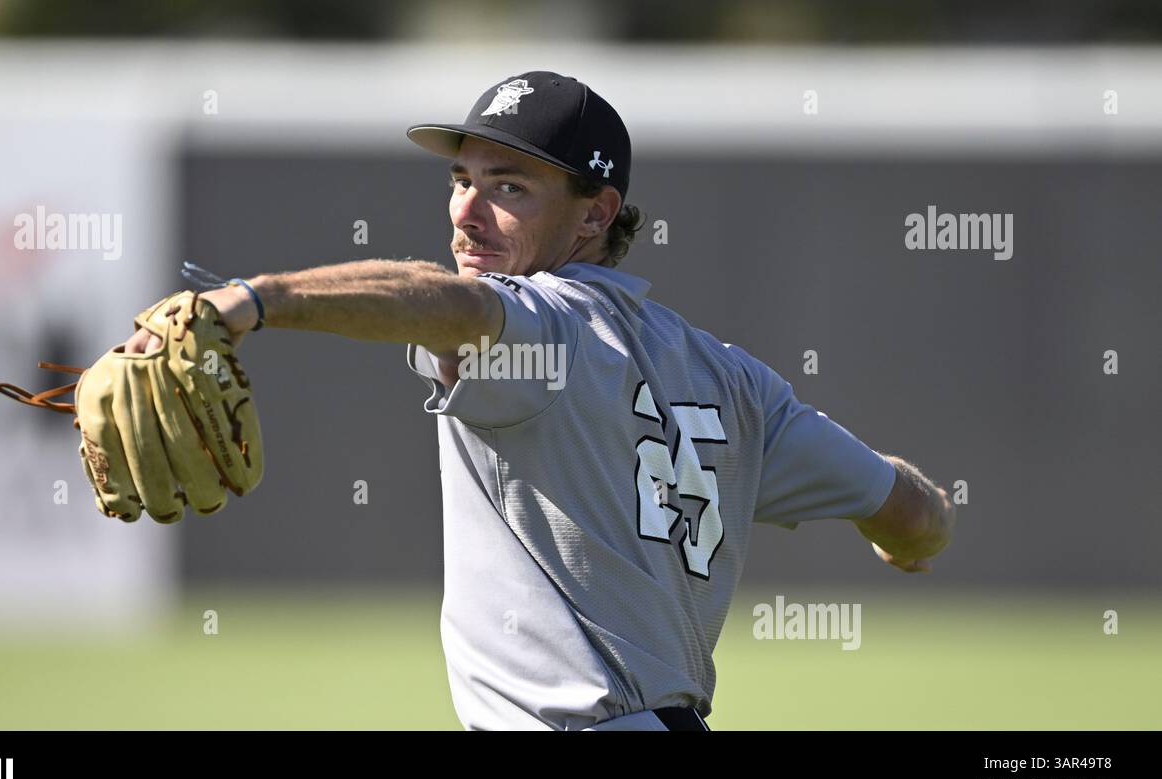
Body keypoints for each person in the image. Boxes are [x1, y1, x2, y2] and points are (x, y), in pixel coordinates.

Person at [124, 70, 956, 731]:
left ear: (595, 213)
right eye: (460, 179)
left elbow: (454, 307)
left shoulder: (540, 327)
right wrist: (905, 535)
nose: (465, 214)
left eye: (509, 187)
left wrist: (252, 299)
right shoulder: (738, 383)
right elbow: (916, 511)